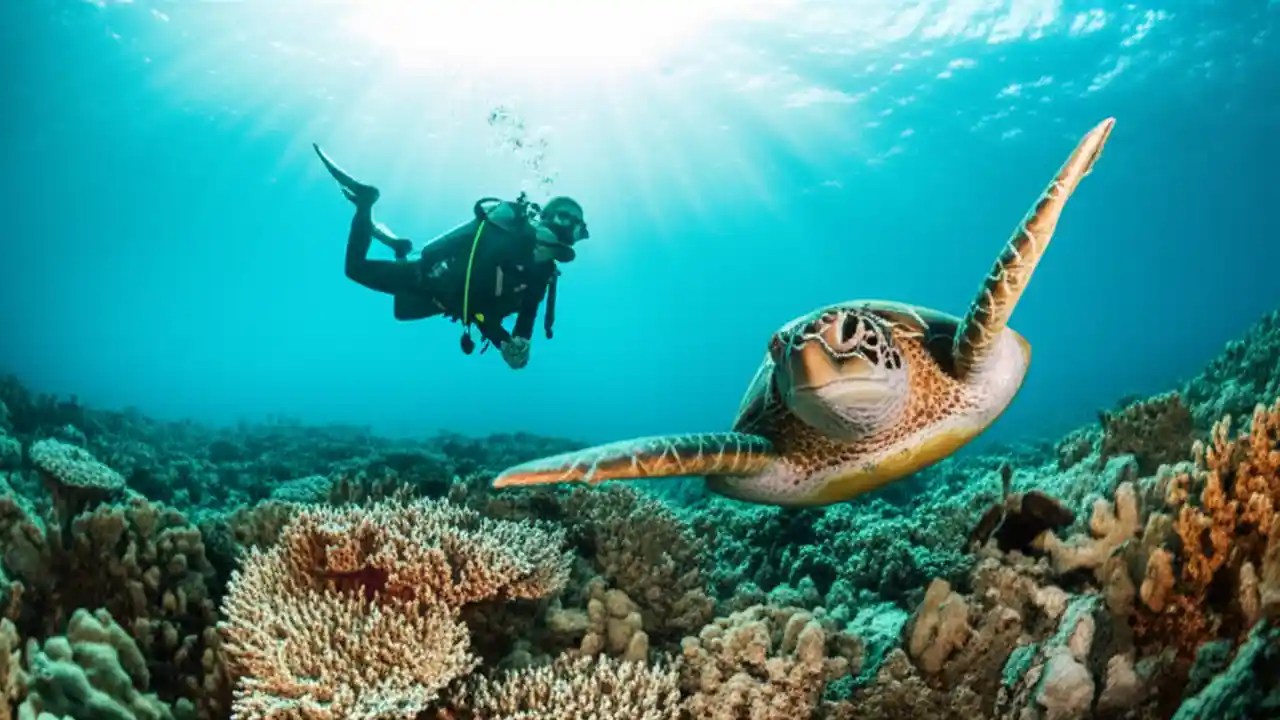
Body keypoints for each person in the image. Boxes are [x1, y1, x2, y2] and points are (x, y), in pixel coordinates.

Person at [312, 143, 589, 370]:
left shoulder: (543, 272)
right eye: (572, 224)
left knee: (401, 311)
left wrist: (520, 342)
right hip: (432, 278)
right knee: (355, 269)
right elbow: (476, 299)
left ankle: (399, 249)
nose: (545, 249)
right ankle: (365, 202)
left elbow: (528, 311)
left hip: (445, 298)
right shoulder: (510, 239)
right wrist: (501, 339)